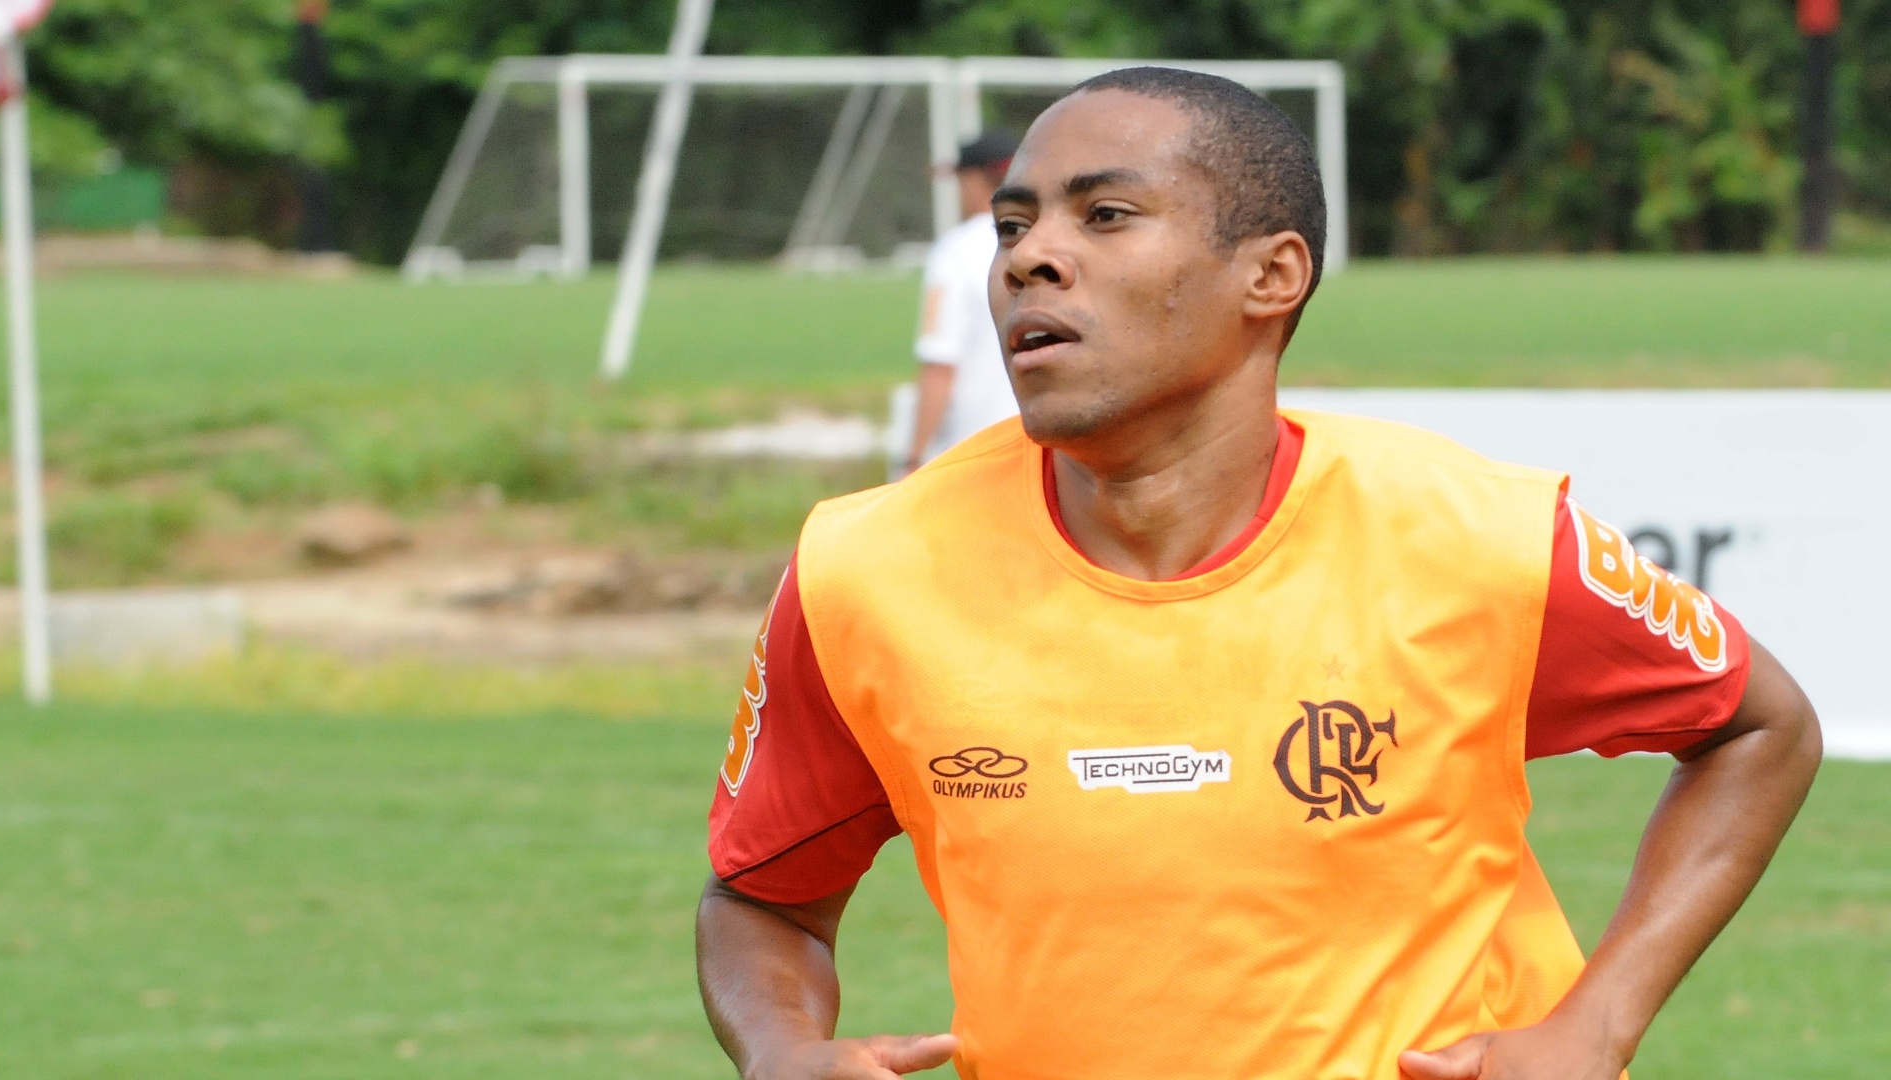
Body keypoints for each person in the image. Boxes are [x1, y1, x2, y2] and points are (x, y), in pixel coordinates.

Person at [698, 67, 1821, 1080]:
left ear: (1272, 275)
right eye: (1011, 224)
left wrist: (1596, 1024)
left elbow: (1759, 728)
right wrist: (781, 1049)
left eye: (1106, 214)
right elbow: (762, 898)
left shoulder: (1478, 533)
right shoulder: (866, 566)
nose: (1029, 256)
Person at [903, 130, 1023, 473]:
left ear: (975, 180)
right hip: (1046, 453)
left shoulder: (956, 251)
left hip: (975, 452)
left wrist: (913, 458)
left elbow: (939, 363)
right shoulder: (1049, 241)